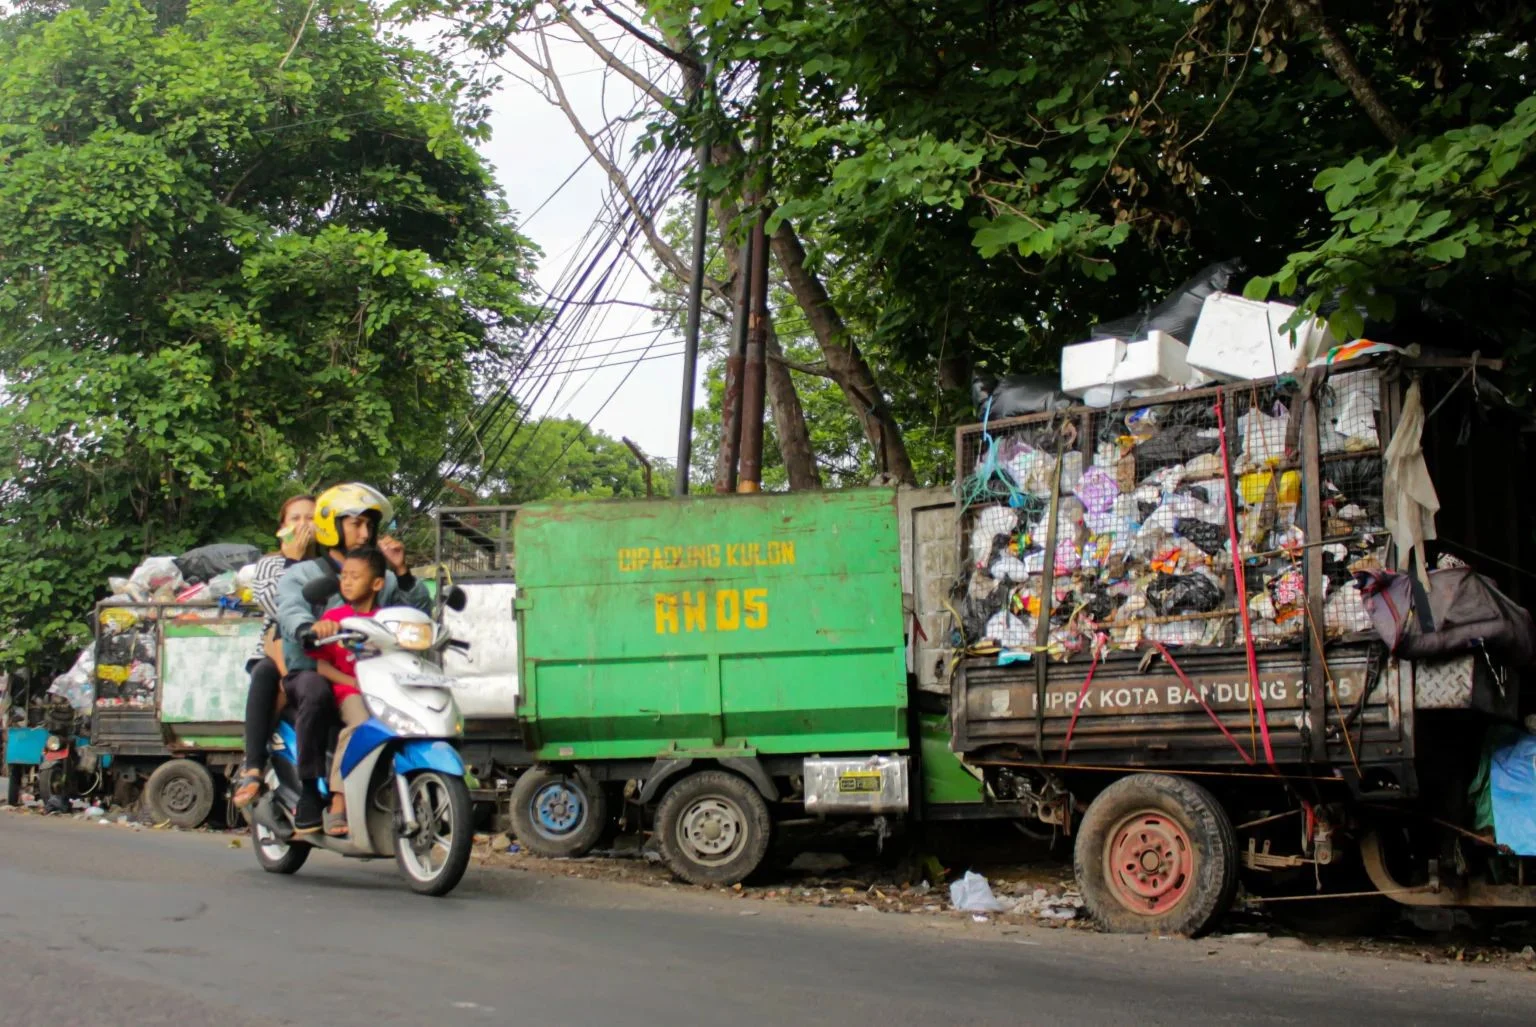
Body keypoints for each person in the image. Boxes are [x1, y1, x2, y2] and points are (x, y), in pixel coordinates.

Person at [274, 483, 430, 833]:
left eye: (368, 525)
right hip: (315, 668)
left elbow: (419, 612)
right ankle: (313, 793)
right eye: (355, 524)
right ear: (331, 526)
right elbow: (290, 607)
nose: (365, 532)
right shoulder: (304, 574)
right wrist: (307, 627)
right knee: (314, 691)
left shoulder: (383, 579)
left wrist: (402, 571)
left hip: (372, 675)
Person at [232, 494, 316, 811]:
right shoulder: (270, 564)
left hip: (320, 650)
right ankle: (253, 765)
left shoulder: (328, 563)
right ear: (282, 528)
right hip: (277, 645)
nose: (304, 525)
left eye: (310, 518)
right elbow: (276, 605)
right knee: (266, 673)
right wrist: (293, 560)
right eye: (295, 519)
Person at [305, 547, 387, 837]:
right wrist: (352, 683)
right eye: (345, 576)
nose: (347, 582)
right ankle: (338, 802)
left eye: (356, 576)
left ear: (377, 584)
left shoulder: (387, 619)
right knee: (360, 725)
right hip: (348, 692)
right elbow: (322, 668)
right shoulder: (335, 618)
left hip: (386, 693)